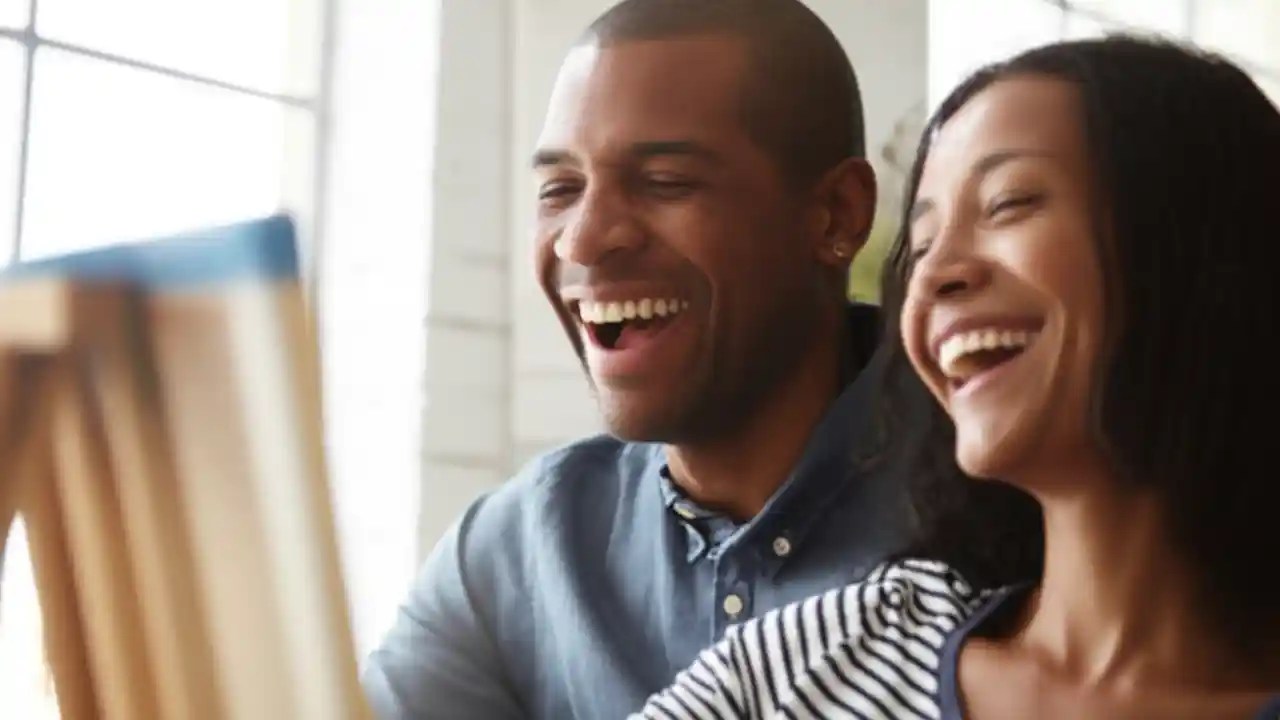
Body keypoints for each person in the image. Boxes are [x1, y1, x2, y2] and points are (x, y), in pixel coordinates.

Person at [635, 35, 1280, 719]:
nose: (937, 277)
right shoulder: (811, 665)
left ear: (1201, 249)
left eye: (1009, 203)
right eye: (921, 245)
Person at [362, 1, 923, 717]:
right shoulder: (518, 551)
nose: (583, 240)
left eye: (665, 182)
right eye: (560, 189)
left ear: (836, 215)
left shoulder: (1011, 509)